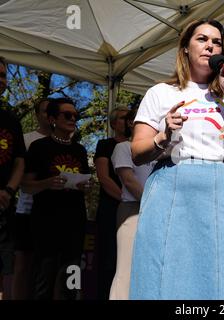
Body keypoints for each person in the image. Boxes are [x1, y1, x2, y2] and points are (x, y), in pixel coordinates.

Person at [129, 19, 224, 299]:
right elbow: (137, 152)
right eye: (202, 39)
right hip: (171, 182)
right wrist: (163, 135)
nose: (210, 45)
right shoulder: (161, 92)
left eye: (216, 41)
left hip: (219, 185)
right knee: (165, 268)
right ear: (185, 48)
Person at [22, 97, 91, 300]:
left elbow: (85, 185)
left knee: (72, 272)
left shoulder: (80, 150)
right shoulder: (39, 147)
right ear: (52, 119)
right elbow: (26, 186)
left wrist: (84, 186)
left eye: (75, 116)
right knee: (44, 275)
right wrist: (47, 183)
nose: (72, 119)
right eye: (67, 115)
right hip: (46, 221)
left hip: (75, 221)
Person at [109, 109, 155, 300]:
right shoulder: (123, 147)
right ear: (131, 124)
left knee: (151, 269)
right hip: (132, 212)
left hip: (154, 212)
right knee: (126, 269)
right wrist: (152, 203)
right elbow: (128, 180)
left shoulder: (158, 151)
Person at [12, 98, 52, 300]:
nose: (49, 115)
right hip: (25, 208)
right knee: (21, 264)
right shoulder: (27, 139)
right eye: (45, 111)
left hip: (51, 214)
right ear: (37, 114)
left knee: (44, 266)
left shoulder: (65, 142)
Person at [94, 106, 128, 300]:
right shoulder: (105, 145)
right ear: (114, 123)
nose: (128, 121)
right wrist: (126, 198)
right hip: (112, 208)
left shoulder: (140, 146)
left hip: (137, 208)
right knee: (109, 259)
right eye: (123, 118)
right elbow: (104, 178)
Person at [0, 57, 26, 300]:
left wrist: (8, 191)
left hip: (3, 206)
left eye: (3, 75)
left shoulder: (11, 120)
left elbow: (19, 161)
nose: (1, 80)